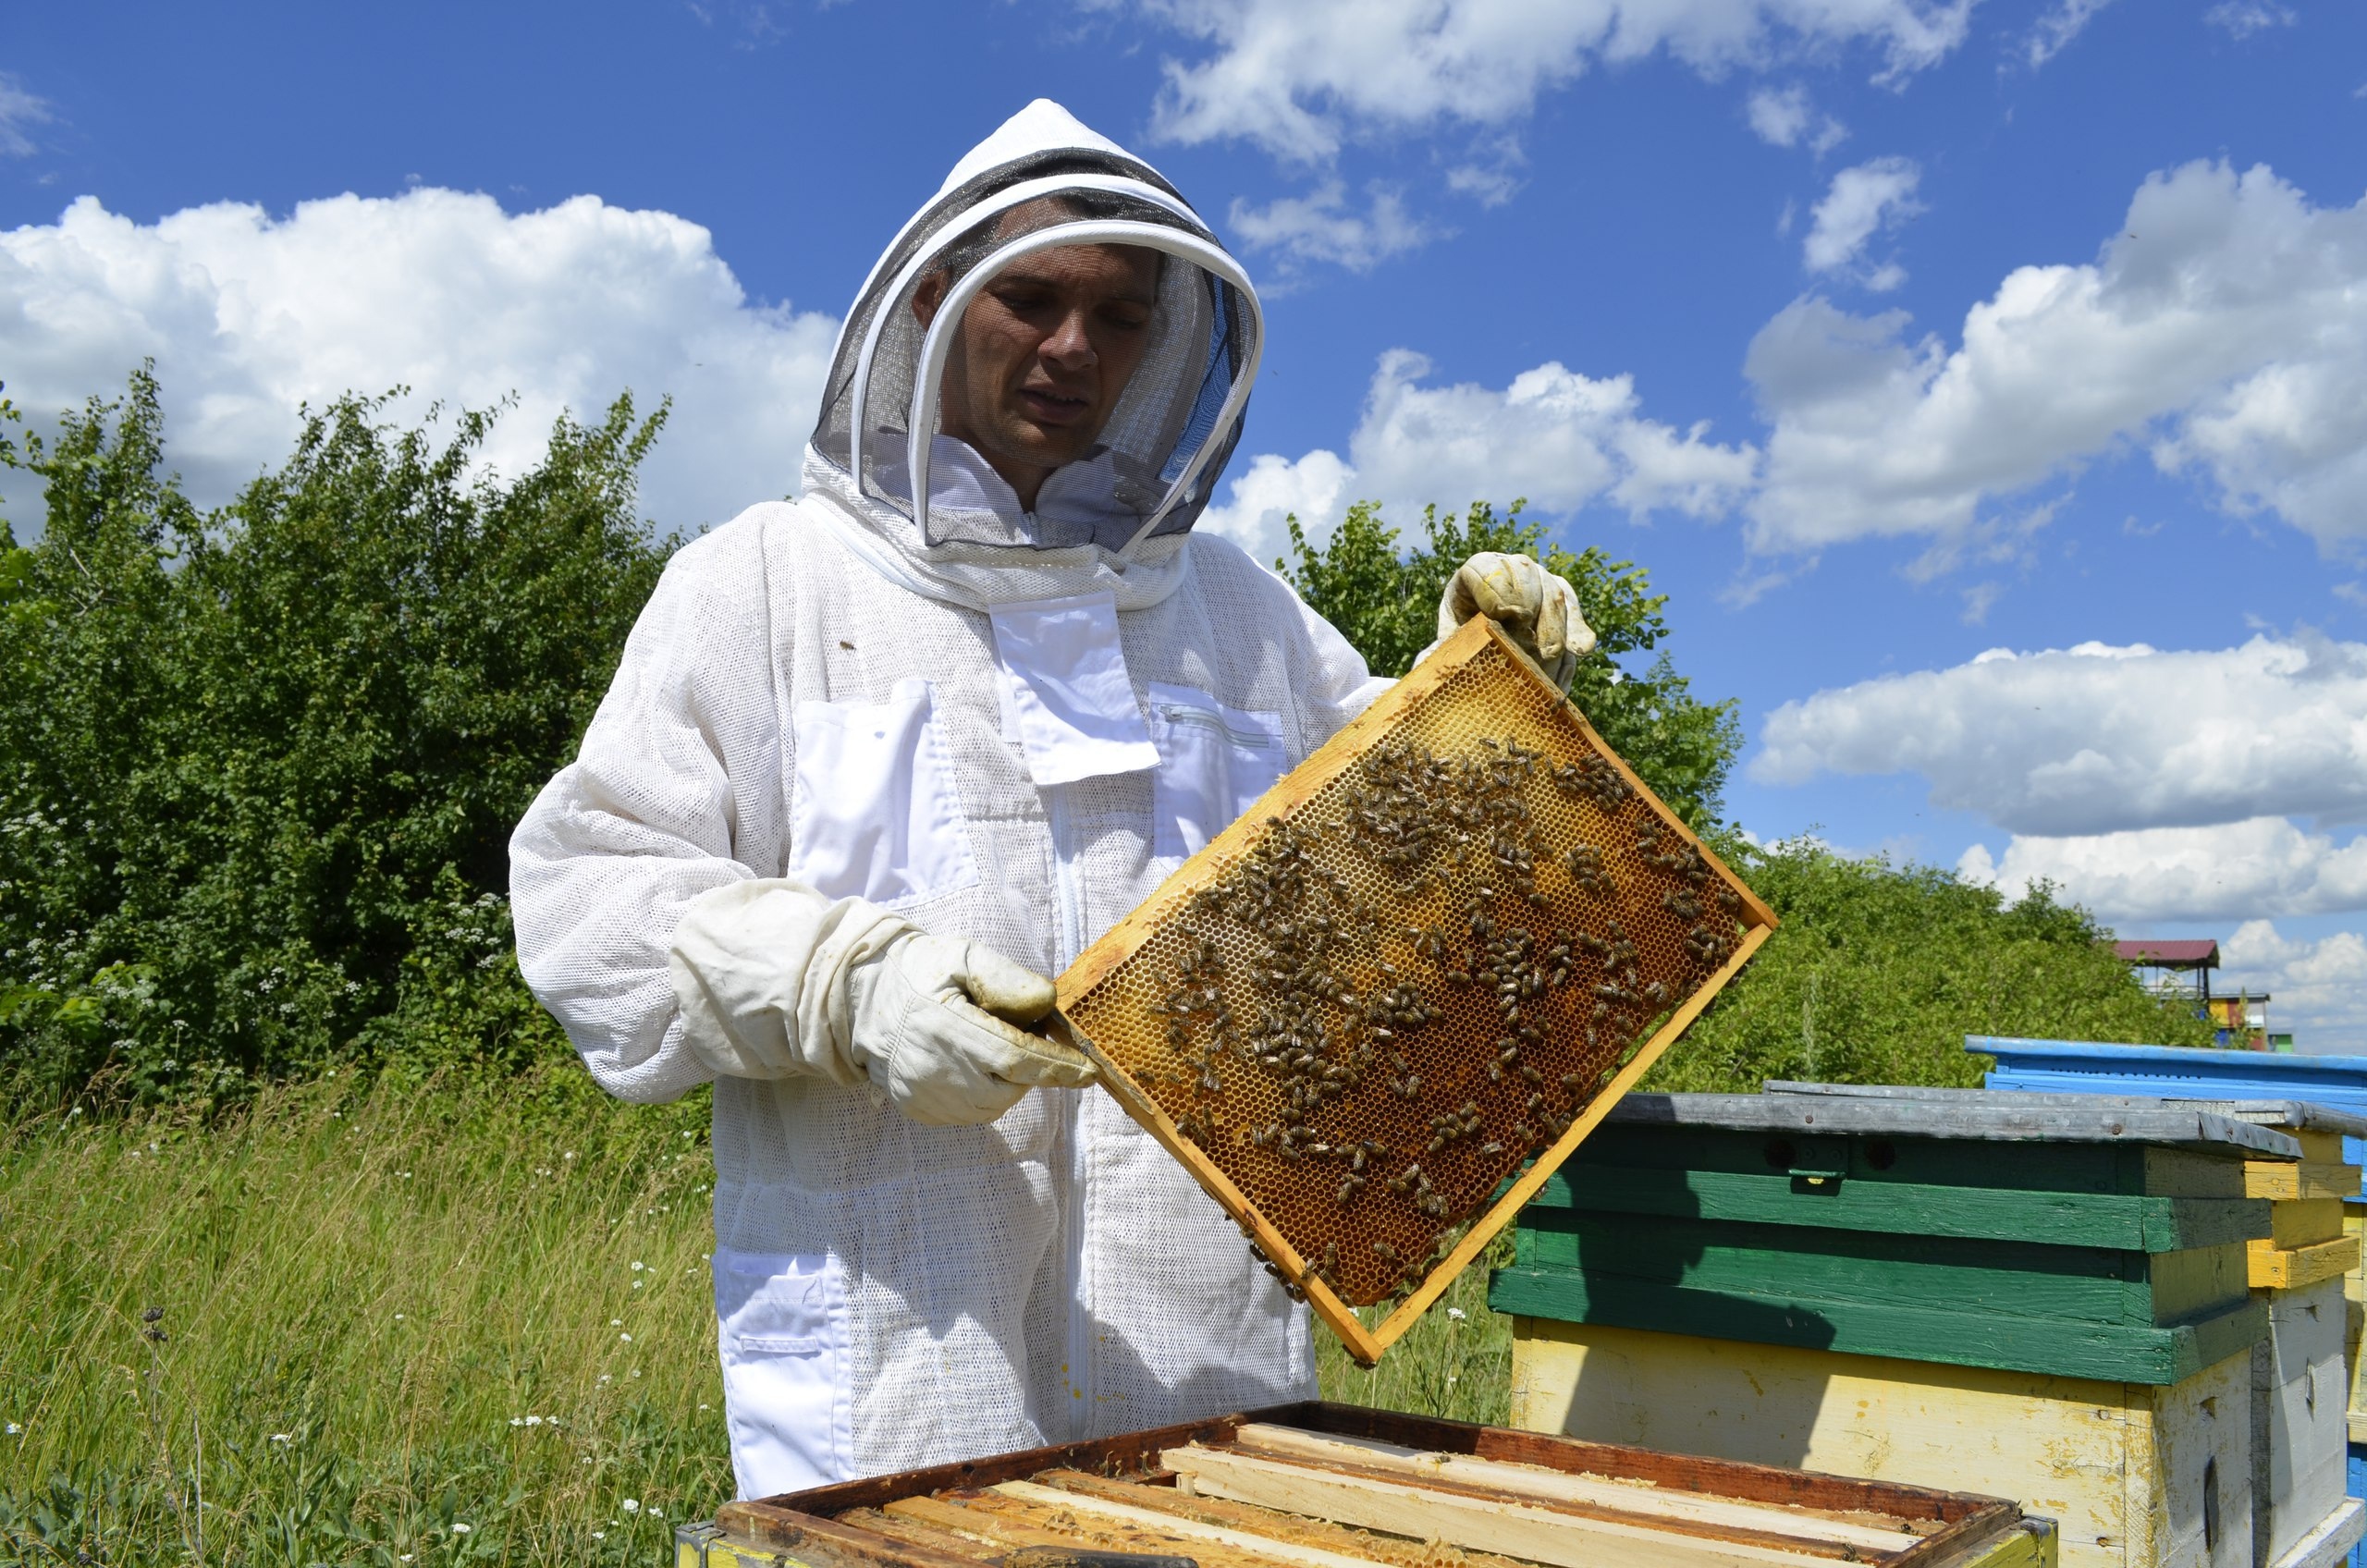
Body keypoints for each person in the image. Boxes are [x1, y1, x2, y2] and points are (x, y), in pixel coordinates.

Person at [509, 99, 1593, 1501]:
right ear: (933, 304)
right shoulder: (765, 584)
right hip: (901, 1325)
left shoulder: (1236, 609)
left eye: (1122, 317)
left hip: (1201, 1348)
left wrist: (1482, 702)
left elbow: (1388, 875)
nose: (1073, 349)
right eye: (1028, 298)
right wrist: (850, 985)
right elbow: (593, 896)